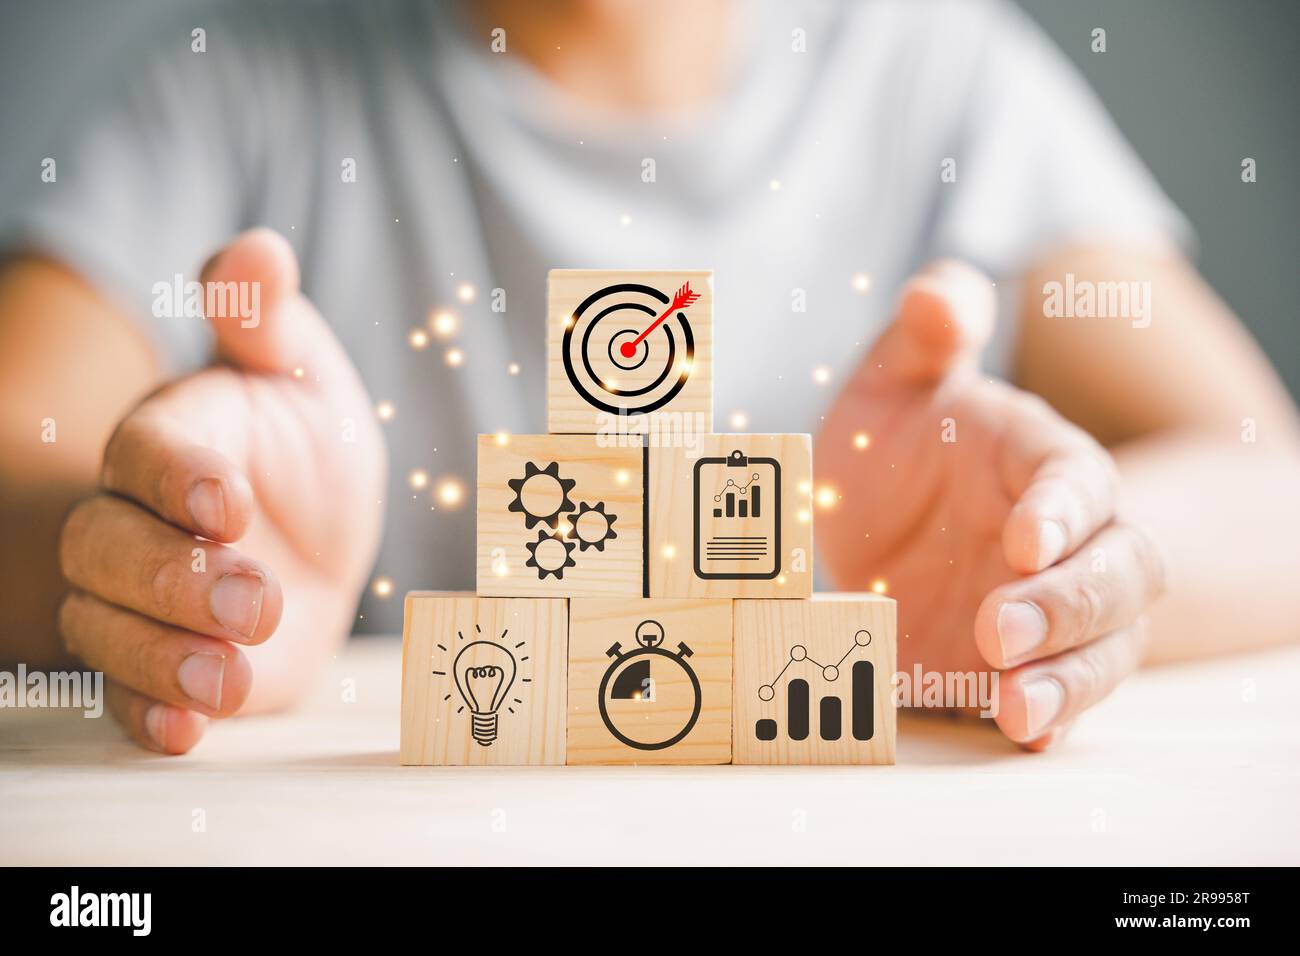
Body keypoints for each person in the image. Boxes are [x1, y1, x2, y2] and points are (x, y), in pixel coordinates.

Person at [1, 0, 1297, 755]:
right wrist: (165, 552)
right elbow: (19, 450)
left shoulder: (946, 72)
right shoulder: (238, 79)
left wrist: (1047, 563)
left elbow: (1271, 481)